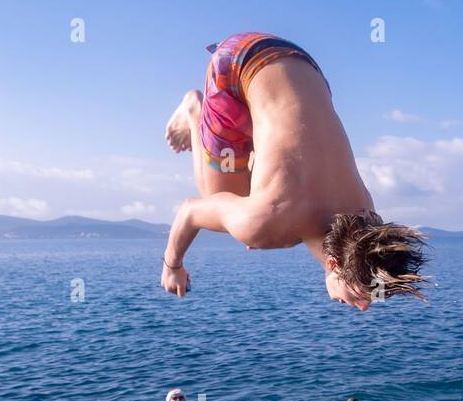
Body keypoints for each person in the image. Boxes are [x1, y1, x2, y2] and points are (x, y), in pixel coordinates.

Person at [160, 31, 428, 308]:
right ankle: (194, 111)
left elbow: (311, 223)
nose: (363, 307)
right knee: (218, 195)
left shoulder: (366, 215)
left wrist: (263, 220)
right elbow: (190, 211)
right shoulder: (263, 223)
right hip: (234, 63)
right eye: (361, 296)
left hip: (301, 64)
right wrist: (173, 265)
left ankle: (248, 144)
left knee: (256, 202)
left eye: (369, 296)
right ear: (333, 263)